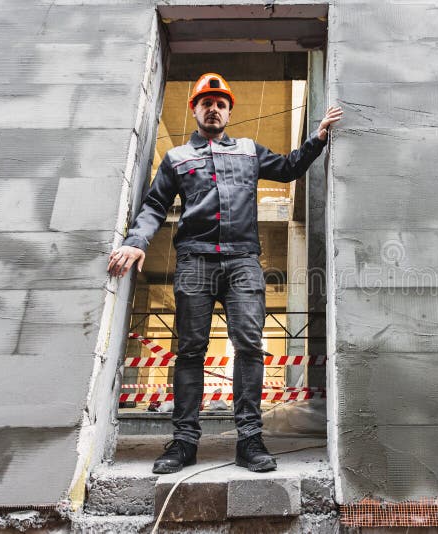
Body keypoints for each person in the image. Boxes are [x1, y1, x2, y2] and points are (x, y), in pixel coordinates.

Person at [107, 73, 342, 474]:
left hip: (243, 262)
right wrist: (136, 241)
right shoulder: (177, 158)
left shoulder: (249, 151)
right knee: (190, 351)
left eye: (220, 103)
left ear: (230, 111)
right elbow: (153, 206)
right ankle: (184, 443)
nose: (213, 108)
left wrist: (317, 138)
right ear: (194, 109)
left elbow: (287, 168)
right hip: (195, 261)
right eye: (206, 102)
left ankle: (250, 440)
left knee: (249, 346)